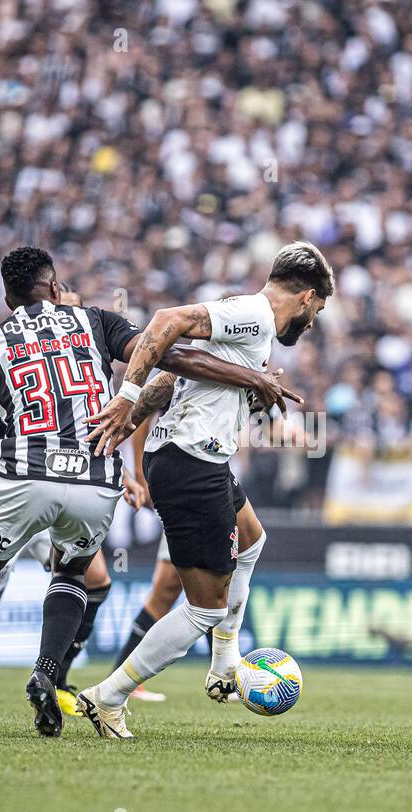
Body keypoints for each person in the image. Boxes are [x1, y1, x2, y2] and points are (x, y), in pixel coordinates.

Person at [0, 246, 296, 736]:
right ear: (55, 286)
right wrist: (250, 376)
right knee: (75, 573)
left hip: (22, 474)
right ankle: (47, 677)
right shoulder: (97, 321)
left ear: (8, 297)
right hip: (93, 479)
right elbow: (170, 354)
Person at [74, 240, 331, 739]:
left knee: (252, 540)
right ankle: (108, 697)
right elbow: (166, 321)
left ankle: (223, 662)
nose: (313, 322)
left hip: (193, 457)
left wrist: (133, 416)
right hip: (191, 464)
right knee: (203, 608)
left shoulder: (247, 330)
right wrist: (126, 397)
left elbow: (177, 377)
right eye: (317, 311)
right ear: (305, 298)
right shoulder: (254, 316)